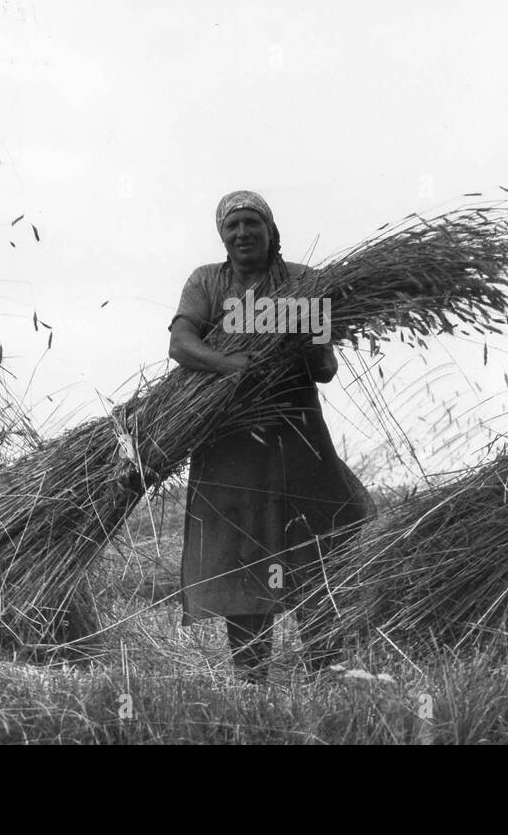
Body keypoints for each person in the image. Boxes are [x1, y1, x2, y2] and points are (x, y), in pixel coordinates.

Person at [168, 190, 370, 683]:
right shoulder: (206, 281)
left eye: (251, 223)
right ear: (222, 234)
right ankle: (252, 676)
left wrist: (311, 346)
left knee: (315, 544)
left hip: (296, 437)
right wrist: (228, 364)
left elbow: (325, 368)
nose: (242, 233)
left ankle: (327, 669)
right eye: (232, 225)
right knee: (242, 551)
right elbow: (180, 343)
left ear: (270, 229)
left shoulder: (304, 282)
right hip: (232, 443)